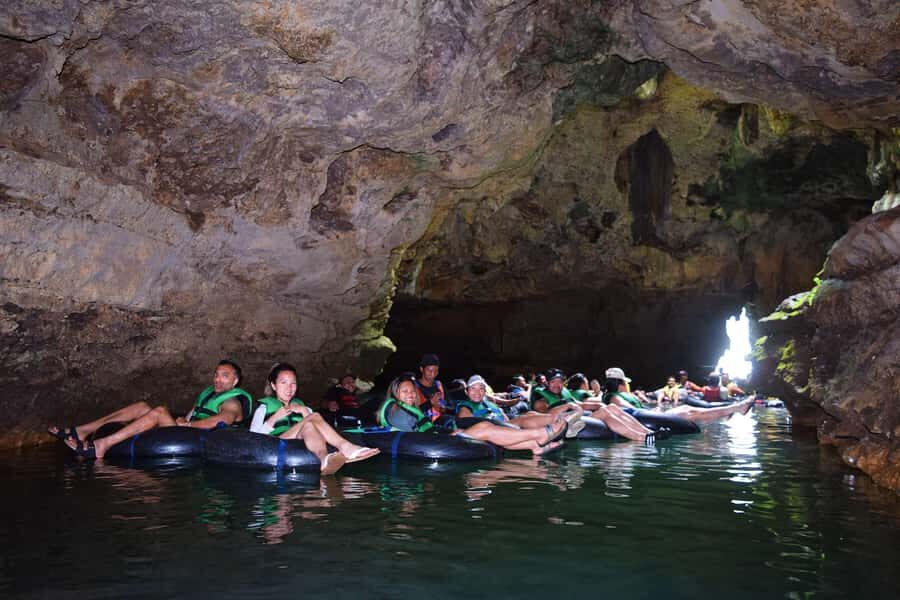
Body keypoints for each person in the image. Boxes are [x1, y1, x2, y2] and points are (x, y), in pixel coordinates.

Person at [50, 359, 252, 459]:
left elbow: (222, 420)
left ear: (235, 381)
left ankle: (103, 444)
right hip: (188, 431)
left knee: (159, 412)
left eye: (224, 376)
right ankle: (83, 430)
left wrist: (189, 424)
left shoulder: (232, 401)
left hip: (201, 440)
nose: (217, 379)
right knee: (142, 406)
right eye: (216, 374)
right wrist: (184, 419)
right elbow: (196, 411)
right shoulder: (210, 393)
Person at [378, 373, 567, 456]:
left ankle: (534, 446)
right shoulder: (395, 409)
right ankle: (538, 434)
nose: (410, 395)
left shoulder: (405, 407)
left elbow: (425, 428)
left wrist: (447, 430)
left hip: (434, 438)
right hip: (431, 442)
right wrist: (449, 434)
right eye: (405, 392)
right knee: (485, 428)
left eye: (412, 391)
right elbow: (418, 434)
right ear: (395, 393)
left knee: (489, 430)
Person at [250, 363, 379, 474]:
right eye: (283, 383)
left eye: (293, 383)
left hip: (296, 442)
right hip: (274, 444)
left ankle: (323, 459)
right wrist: (274, 418)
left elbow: (319, 430)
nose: (289, 388)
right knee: (315, 416)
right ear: (273, 385)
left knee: (309, 425)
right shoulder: (263, 408)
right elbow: (253, 438)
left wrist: (304, 412)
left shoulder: (303, 407)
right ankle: (346, 447)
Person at [604, 367, 753, 424]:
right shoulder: (612, 396)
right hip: (646, 418)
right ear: (619, 383)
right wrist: (653, 411)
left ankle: (734, 409)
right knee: (687, 411)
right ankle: (736, 408)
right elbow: (633, 412)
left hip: (649, 414)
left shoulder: (621, 394)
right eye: (624, 382)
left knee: (688, 408)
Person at [455, 375, 583, 438]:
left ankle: (564, 423)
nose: (478, 392)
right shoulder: (465, 407)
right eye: (473, 389)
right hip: (493, 429)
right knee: (523, 420)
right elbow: (465, 423)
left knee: (529, 414)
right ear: (466, 391)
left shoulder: (490, 403)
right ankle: (563, 420)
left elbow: (505, 419)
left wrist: (506, 420)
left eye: (481, 389)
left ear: (484, 391)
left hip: (505, 425)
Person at [414, 353, 447, 421]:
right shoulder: (413, 386)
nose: (433, 374)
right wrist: (430, 403)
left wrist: (443, 406)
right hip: (422, 427)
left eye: (436, 371)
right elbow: (411, 412)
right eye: (430, 370)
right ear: (421, 369)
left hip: (439, 424)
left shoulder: (439, 385)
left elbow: (446, 408)